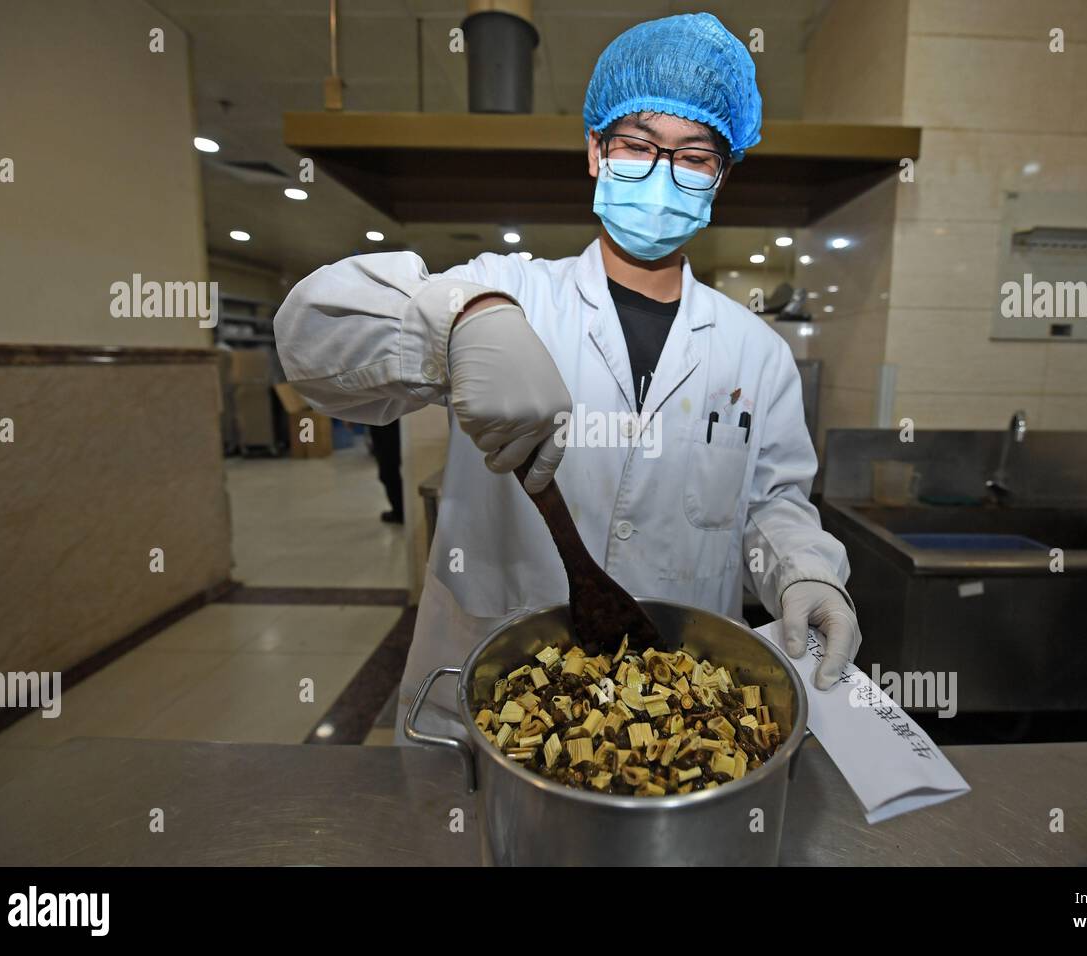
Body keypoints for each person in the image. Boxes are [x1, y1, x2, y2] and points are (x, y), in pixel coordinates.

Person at [274, 12, 861, 739]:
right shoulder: (506, 291)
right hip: (491, 702)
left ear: (722, 174)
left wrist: (802, 570)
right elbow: (310, 341)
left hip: (670, 706)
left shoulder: (757, 352)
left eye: (693, 156)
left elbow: (773, 503)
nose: (661, 173)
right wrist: (458, 319)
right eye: (636, 145)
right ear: (594, 151)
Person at [368, 421, 404, 523]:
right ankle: (400, 511)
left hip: (385, 425)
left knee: (388, 473)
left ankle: (399, 513)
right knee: (388, 472)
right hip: (384, 424)